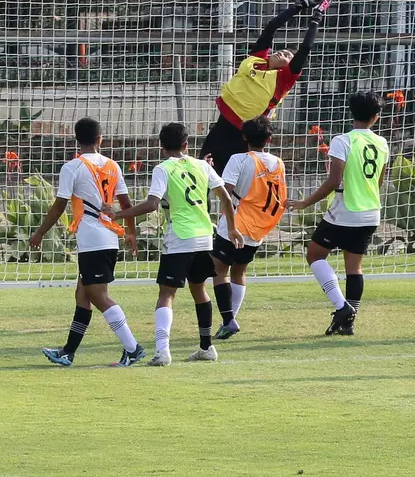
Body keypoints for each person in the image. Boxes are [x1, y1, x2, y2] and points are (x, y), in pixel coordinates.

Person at [104, 122, 242, 365]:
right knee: (199, 290)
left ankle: (163, 351)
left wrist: (118, 214)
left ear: (161, 146)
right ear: (186, 144)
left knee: (166, 294)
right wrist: (232, 228)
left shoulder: (163, 168)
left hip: (180, 237)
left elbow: (152, 204)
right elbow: (225, 197)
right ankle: (206, 347)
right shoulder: (201, 165)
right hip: (204, 237)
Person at [28, 117, 144, 367]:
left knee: (98, 296)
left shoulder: (73, 167)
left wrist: (39, 233)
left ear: (76, 140)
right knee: (83, 294)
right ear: (100, 139)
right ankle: (68, 352)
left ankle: (133, 348)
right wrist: (131, 233)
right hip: (108, 238)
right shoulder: (113, 165)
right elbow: (126, 204)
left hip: (93, 239)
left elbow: (59, 205)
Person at [200, 0, 332, 174]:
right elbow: (271, 27)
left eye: (287, 56)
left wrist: (317, 17)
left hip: (243, 134)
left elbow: (305, 48)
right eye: (282, 50)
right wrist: (300, 5)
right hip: (222, 124)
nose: (282, 53)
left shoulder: (284, 79)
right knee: (203, 171)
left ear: (289, 66)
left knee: (232, 182)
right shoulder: (258, 57)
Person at [288, 91, 387, 336]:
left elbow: (334, 181)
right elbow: (379, 181)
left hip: (346, 211)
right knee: (354, 268)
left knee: (315, 255)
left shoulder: (343, 140)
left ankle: (342, 307)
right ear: (376, 116)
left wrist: (305, 202)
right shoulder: (382, 143)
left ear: (351, 113)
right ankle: (348, 323)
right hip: (371, 212)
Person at [211, 115, 287, 341]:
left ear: (244, 137)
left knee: (218, 270)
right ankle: (230, 319)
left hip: (235, 222)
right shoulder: (278, 163)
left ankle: (228, 319)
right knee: (239, 271)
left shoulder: (239, 159)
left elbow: (226, 191)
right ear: (269, 139)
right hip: (259, 226)